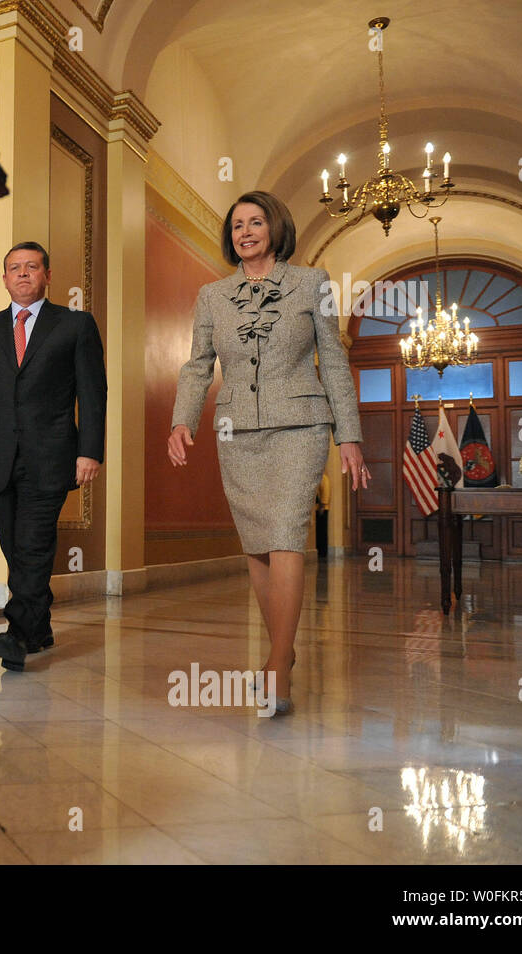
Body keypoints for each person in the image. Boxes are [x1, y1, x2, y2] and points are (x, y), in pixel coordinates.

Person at [166, 191, 369, 713]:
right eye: (237, 225)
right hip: (237, 431)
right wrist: (181, 422)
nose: (246, 232)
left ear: (276, 228)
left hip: (300, 425)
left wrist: (349, 435)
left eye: (256, 222)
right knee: (257, 542)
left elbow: (334, 363)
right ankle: (285, 647)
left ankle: (276, 664)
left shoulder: (313, 284)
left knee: (284, 533)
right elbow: (197, 366)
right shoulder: (212, 295)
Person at [0, 242, 107, 672]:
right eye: (14, 268)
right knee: (17, 550)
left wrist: (90, 450)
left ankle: (15, 635)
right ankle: (39, 627)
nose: (23, 274)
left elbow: (92, 392)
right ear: (5, 278)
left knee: (33, 547)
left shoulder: (75, 325)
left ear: (47, 275)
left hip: (51, 458)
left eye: (32, 267)